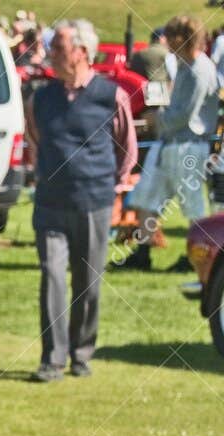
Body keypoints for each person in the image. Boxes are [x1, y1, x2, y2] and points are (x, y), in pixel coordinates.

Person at [24, 19, 138, 381]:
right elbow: (34, 139)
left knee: (88, 282)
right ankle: (53, 358)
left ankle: (81, 353)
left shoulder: (111, 95)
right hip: (51, 203)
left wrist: (113, 186)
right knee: (52, 276)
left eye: (58, 48)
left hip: (94, 201)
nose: (51, 54)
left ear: (82, 53)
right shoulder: (41, 98)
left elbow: (128, 148)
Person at [118, 15, 219, 272]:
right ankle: (142, 252)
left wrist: (157, 118)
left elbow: (185, 113)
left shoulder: (200, 70)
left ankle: (194, 258)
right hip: (169, 144)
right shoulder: (185, 67)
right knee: (147, 197)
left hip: (188, 146)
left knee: (192, 205)